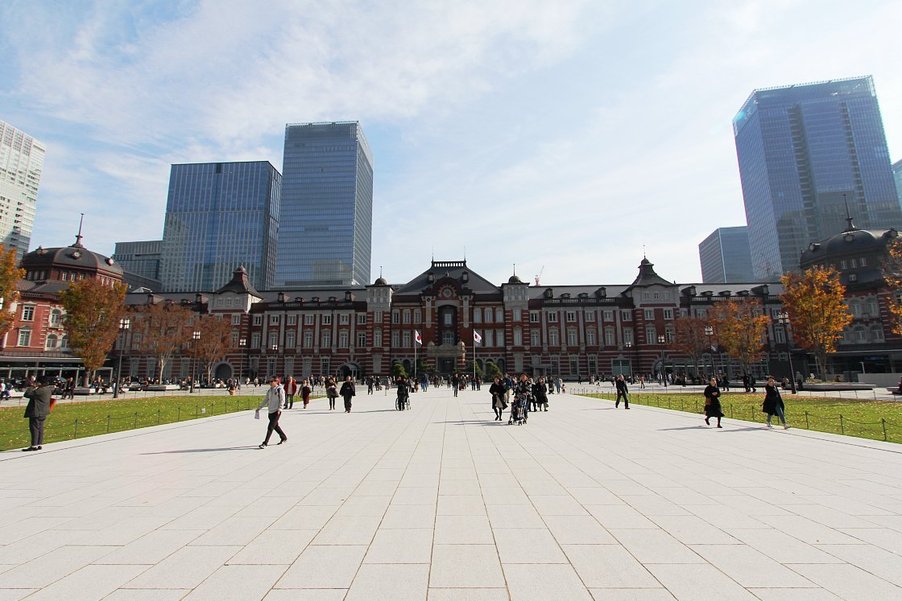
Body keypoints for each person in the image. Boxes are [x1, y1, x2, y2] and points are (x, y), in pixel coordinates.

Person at [22, 376, 53, 451]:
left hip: (37, 412)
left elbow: (27, 394)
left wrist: (32, 387)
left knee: (34, 429)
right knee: (40, 428)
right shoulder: (48, 390)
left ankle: (34, 445)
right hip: (43, 412)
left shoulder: (40, 390)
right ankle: (39, 444)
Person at [255, 377, 287, 448]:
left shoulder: (280, 389)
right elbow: (266, 400)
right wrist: (259, 408)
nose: (270, 383)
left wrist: (280, 408)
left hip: (277, 411)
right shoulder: (270, 390)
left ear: (276, 381)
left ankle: (265, 443)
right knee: (275, 426)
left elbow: (282, 400)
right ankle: (283, 437)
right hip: (270, 411)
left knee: (270, 427)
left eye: (271, 381)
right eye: (269, 381)